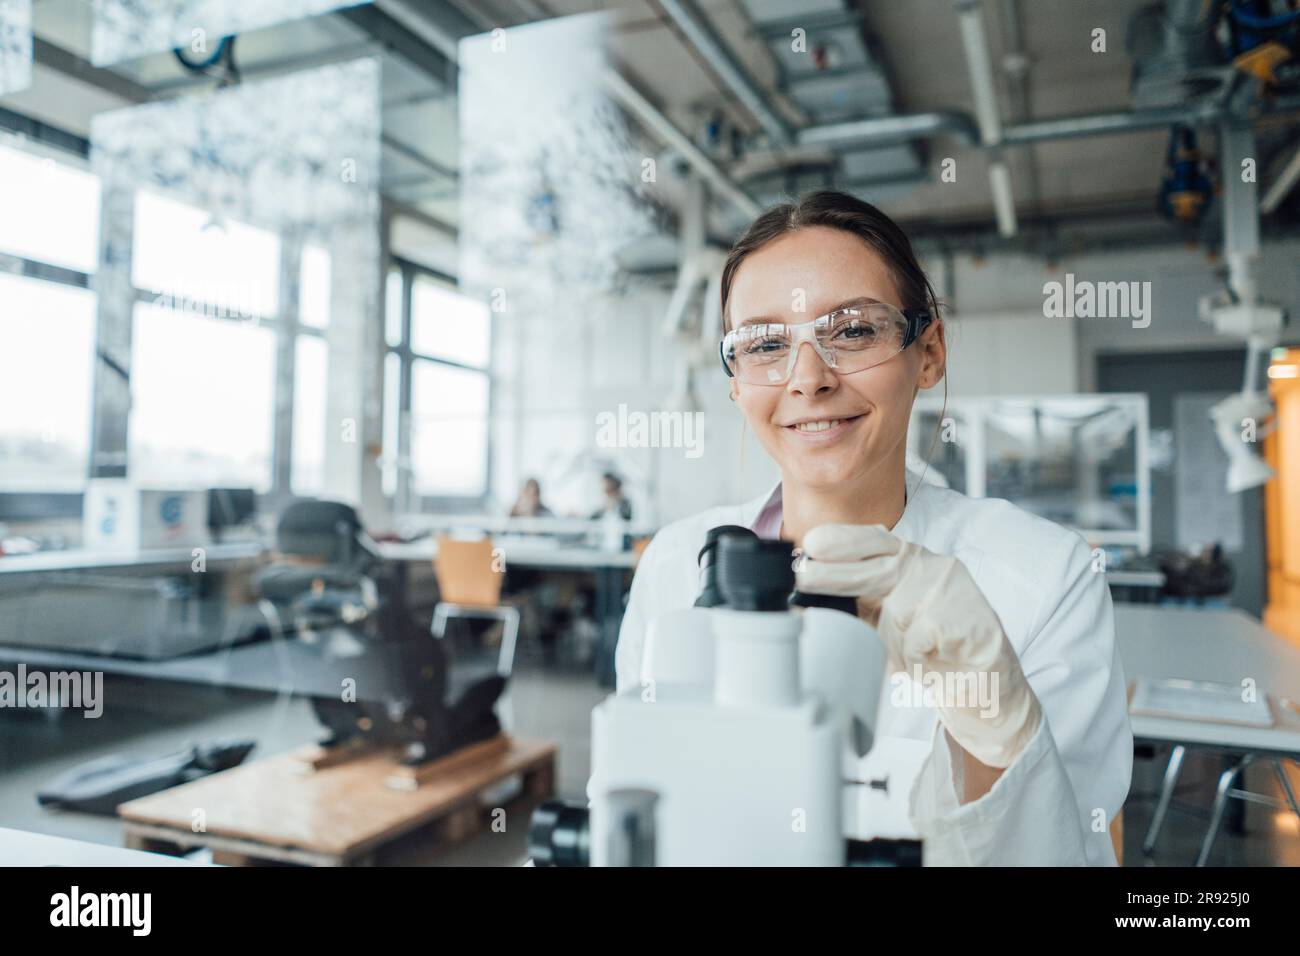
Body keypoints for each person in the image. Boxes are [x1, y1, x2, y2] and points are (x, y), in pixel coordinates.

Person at [614, 191, 1132, 865]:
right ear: (736, 381)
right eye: (766, 344)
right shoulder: (679, 562)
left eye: (853, 331)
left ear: (929, 353)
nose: (808, 379)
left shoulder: (1045, 575)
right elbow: (635, 807)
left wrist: (997, 728)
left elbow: (1072, 855)